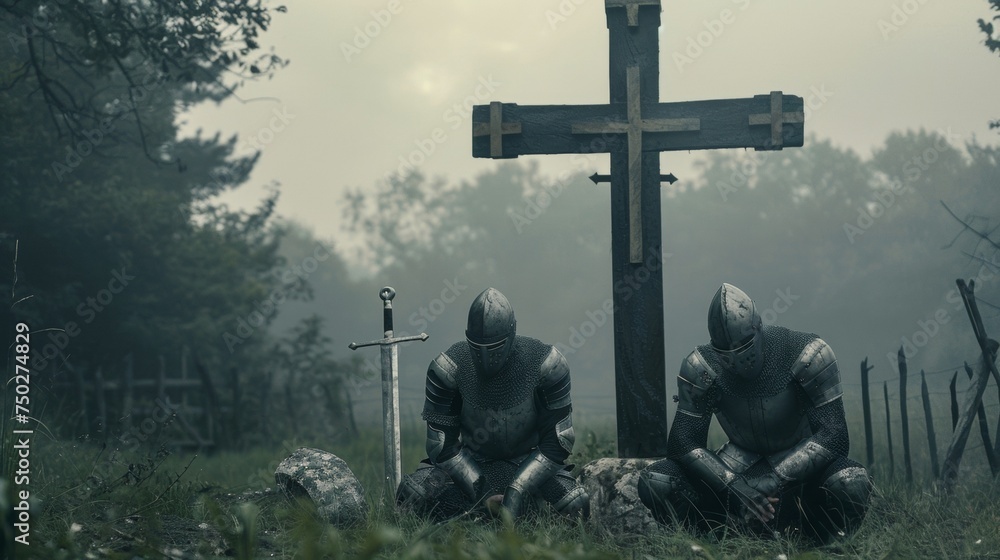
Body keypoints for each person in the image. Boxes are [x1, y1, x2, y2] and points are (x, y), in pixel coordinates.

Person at [637, 283, 872, 541]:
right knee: (658, 480)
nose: (737, 359)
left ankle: (826, 545)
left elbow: (834, 435)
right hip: (735, 466)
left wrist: (776, 479)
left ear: (759, 327)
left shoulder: (808, 355)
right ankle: (704, 544)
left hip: (802, 472)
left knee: (850, 481)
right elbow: (682, 443)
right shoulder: (702, 367)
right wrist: (732, 484)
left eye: (744, 346)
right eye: (725, 353)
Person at [396, 287, 589, 521]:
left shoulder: (547, 364)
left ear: (511, 334)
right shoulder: (448, 368)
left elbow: (558, 441)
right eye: (477, 347)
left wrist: (516, 491)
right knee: (413, 492)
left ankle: (495, 515)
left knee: (574, 501)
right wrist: (482, 493)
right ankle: (478, 515)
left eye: (495, 347)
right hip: (472, 465)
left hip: (528, 465)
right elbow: (441, 446)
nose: (486, 357)